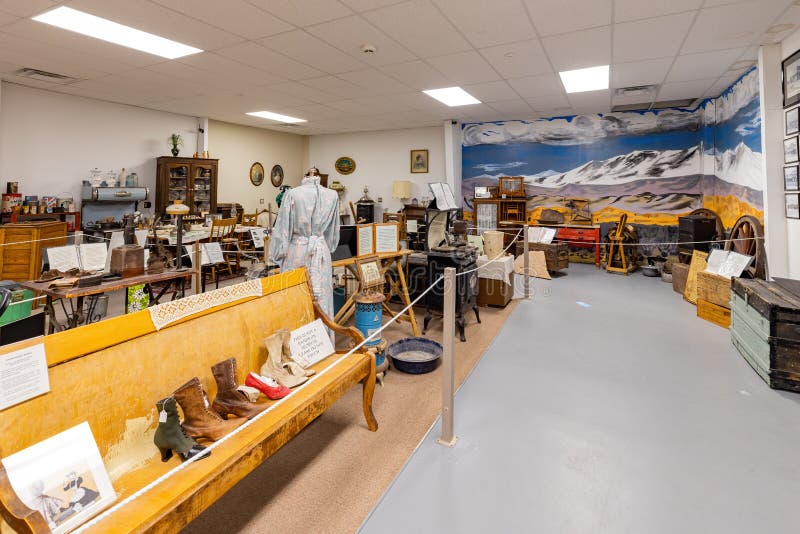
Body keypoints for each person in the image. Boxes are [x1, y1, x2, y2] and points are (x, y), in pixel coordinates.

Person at [269, 167, 339, 341]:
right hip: (321, 251)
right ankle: (321, 342)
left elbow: (283, 228)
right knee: (320, 297)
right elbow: (333, 232)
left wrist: (277, 253)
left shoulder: (292, 194)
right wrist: (325, 245)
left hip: (298, 250)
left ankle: (298, 343)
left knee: (295, 296)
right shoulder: (332, 195)